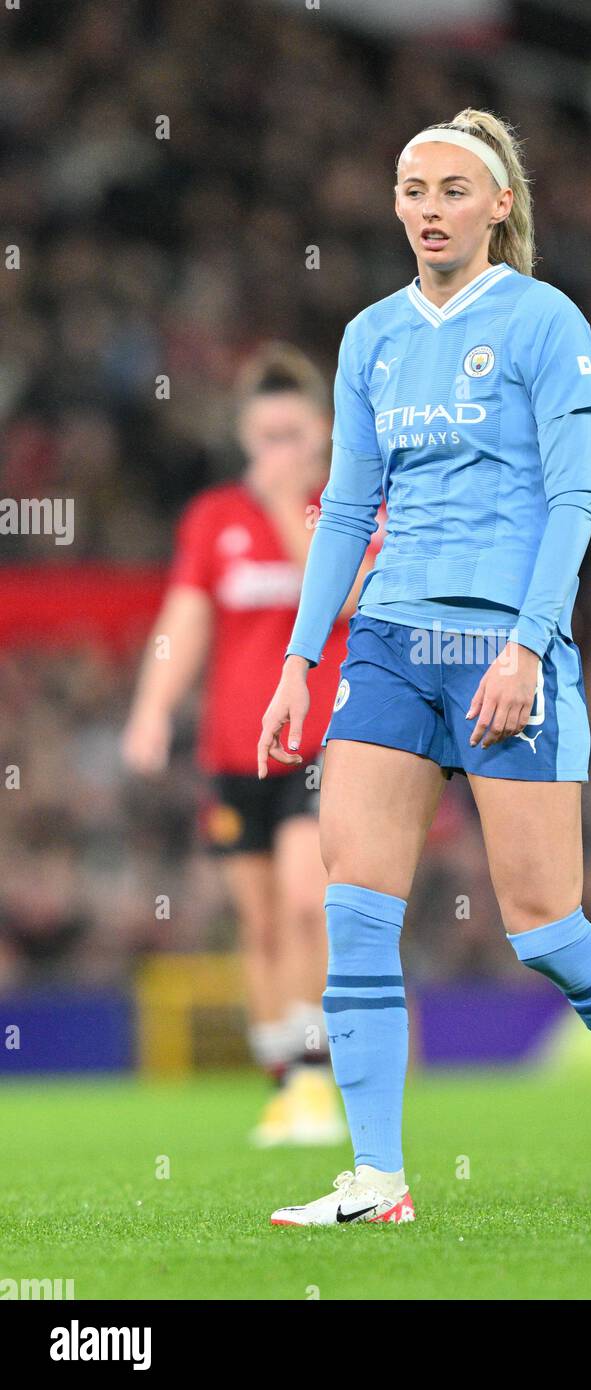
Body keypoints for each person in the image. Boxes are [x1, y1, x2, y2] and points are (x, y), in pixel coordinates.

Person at [258, 110, 591, 1225]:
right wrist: (299, 657)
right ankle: (377, 1179)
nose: (429, 208)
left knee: (544, 926)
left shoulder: (541, 320)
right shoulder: (369, 334)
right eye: (412, 188)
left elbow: (575, 497)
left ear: (499, 204)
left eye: (453, 189)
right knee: (357, 910)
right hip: (386, 642)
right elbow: (346, 508)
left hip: (501, 644)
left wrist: (527, 640)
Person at [123, 343, 368, 1146]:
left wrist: (286, 512)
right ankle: (284, 1083)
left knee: (307, 903)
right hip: (235, 754)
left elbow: (348, 602)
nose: (279, 454)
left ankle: (312, 1076)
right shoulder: (212, 520)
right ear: (243, 436)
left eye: (292, 436)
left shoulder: (349, 508)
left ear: (324, 434)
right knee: (259, 925)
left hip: (322, 744)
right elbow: (184, 621)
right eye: (265, 438)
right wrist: (153, 708)